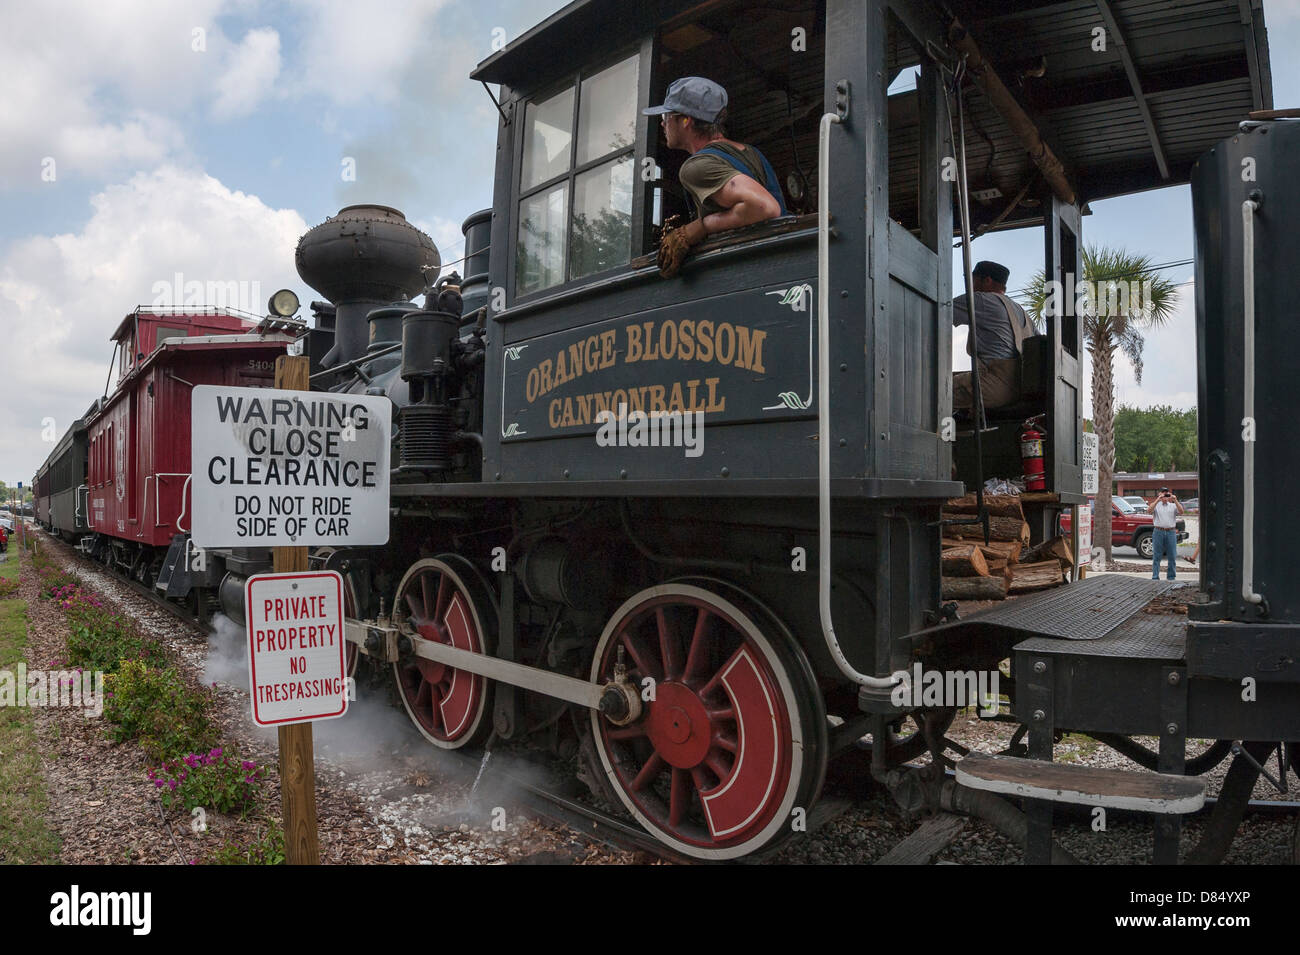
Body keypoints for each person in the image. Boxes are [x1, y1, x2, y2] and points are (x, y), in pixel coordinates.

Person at [644, 77, 787, 277]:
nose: (662, 122)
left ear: (686, 121)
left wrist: (698, 228)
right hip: (782, 267)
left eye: (667, 115)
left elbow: (764, 206)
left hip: (755, 274)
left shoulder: (696, 167)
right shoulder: (751, 152)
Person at [952, 261, 1038, 411]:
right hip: (1019, 390)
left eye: (972, 281)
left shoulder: (982, 300)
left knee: (932, 390)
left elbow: (938, 310)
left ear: (987, 281)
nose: (969, 286)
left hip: (993, 387)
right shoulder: (1023, 313)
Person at [1150, 487, 1184, 580]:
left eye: (1166, 493)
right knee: (1157, 555)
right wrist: (1158, 499)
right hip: (1158, 531)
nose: (1165, 496)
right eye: (1163, 493)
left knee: (1172, 555)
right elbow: (1149, 510)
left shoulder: (1173, 506)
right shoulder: (1156, 505)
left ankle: (1171, 577)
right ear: (1159, 494)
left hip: (1171, 532)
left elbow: (1181, 511)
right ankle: (1155, 577)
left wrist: (1175, 500)